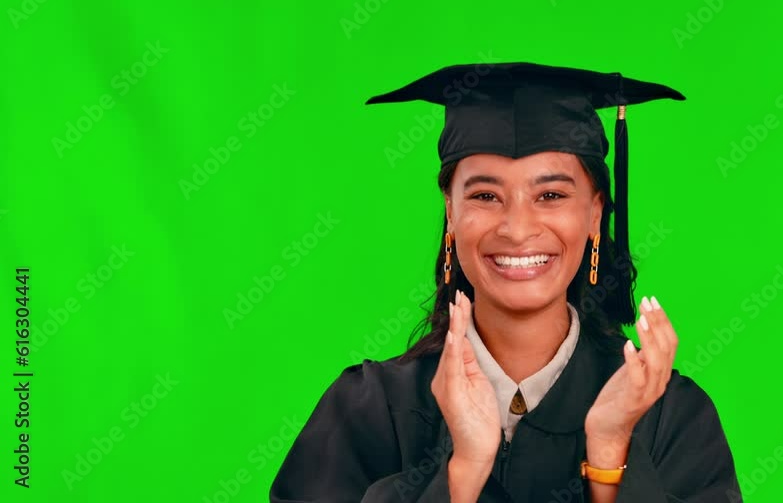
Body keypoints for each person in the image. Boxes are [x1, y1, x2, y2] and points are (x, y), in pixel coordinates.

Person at [270, 63, 742, 502]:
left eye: (552, 194)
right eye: (485, 195)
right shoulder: (367, 410)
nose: (517, 228)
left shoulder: (669, 417)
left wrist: (610, 453)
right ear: (450, 211)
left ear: (595, 213)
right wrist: (463, 469)